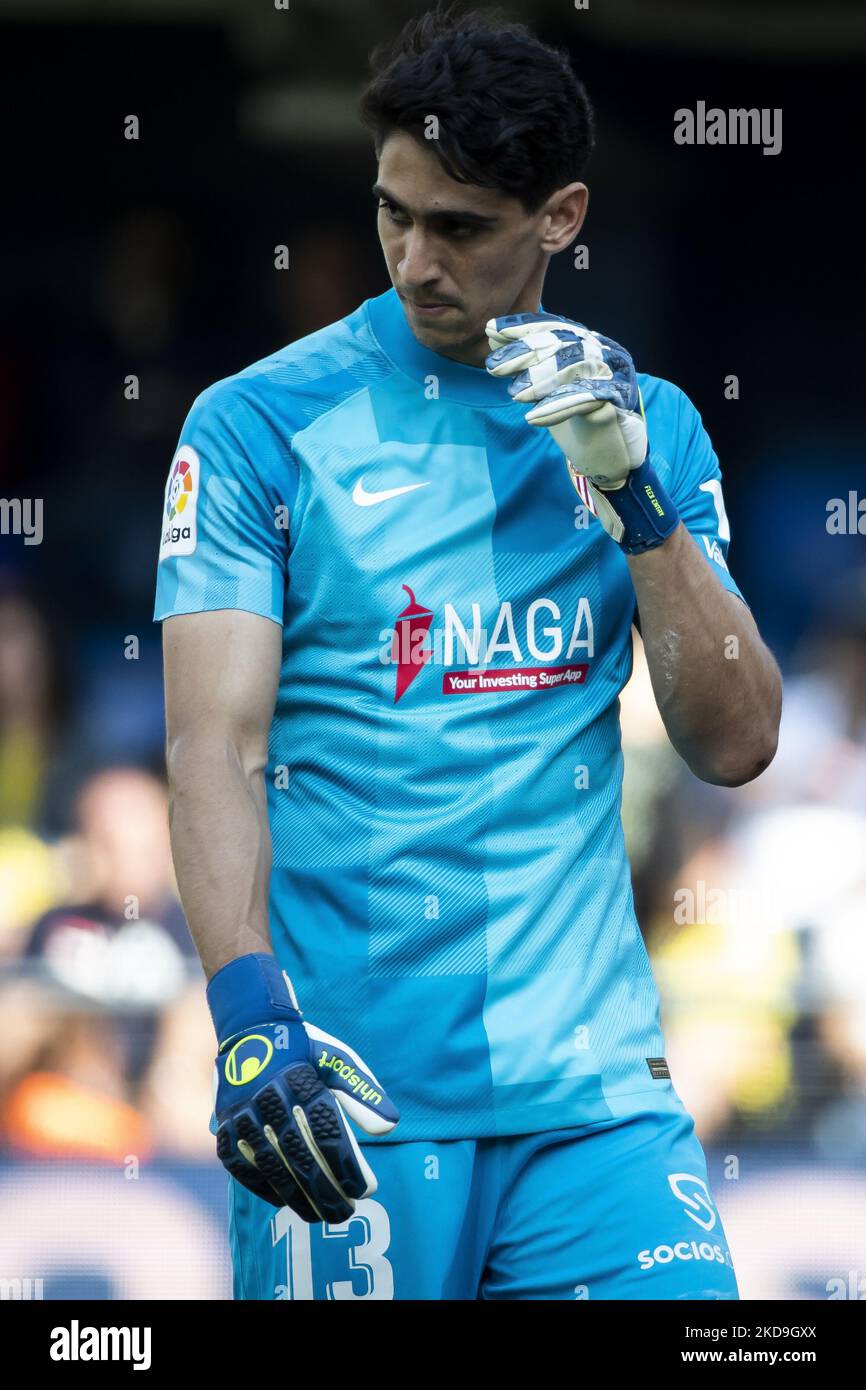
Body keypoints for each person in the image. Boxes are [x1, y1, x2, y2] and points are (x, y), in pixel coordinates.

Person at [155, 6, 781, 1300]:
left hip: (597, 1102)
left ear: (559, 217)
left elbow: (735, 742)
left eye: (459, 228)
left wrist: (637, 504)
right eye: (393, 213)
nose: (412, 261)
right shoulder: (257, 425)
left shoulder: (650, 422)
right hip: (352, 1093)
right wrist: (243, 1012)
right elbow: (212, 741)